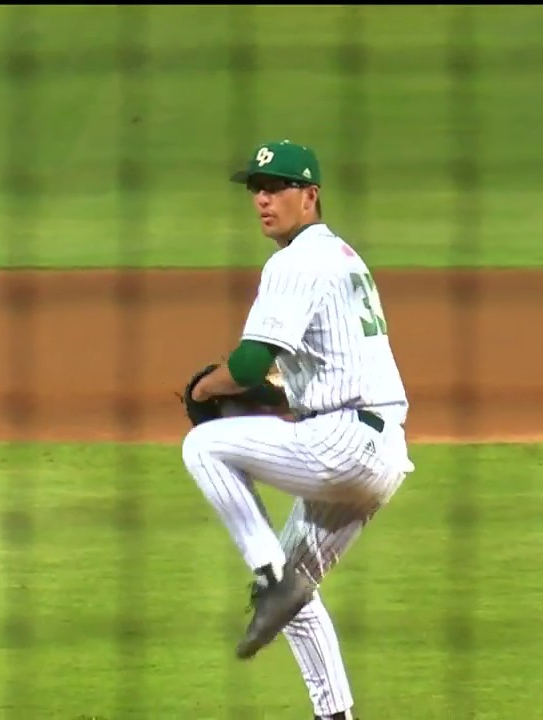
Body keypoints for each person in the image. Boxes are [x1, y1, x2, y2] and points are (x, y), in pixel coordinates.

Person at [180, 139, 415, 720]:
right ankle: (334, 715)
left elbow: (248, 366)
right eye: (257, 189)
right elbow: (294, 379)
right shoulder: (343, 257)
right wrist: (262, 394)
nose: (263, 199)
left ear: (309, 196)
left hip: (341, 444)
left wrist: (204, 389)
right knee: (295, 593)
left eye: (277, 188)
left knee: (202, 446)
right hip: (381, 455)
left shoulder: (293, 263)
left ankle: (266, 572)